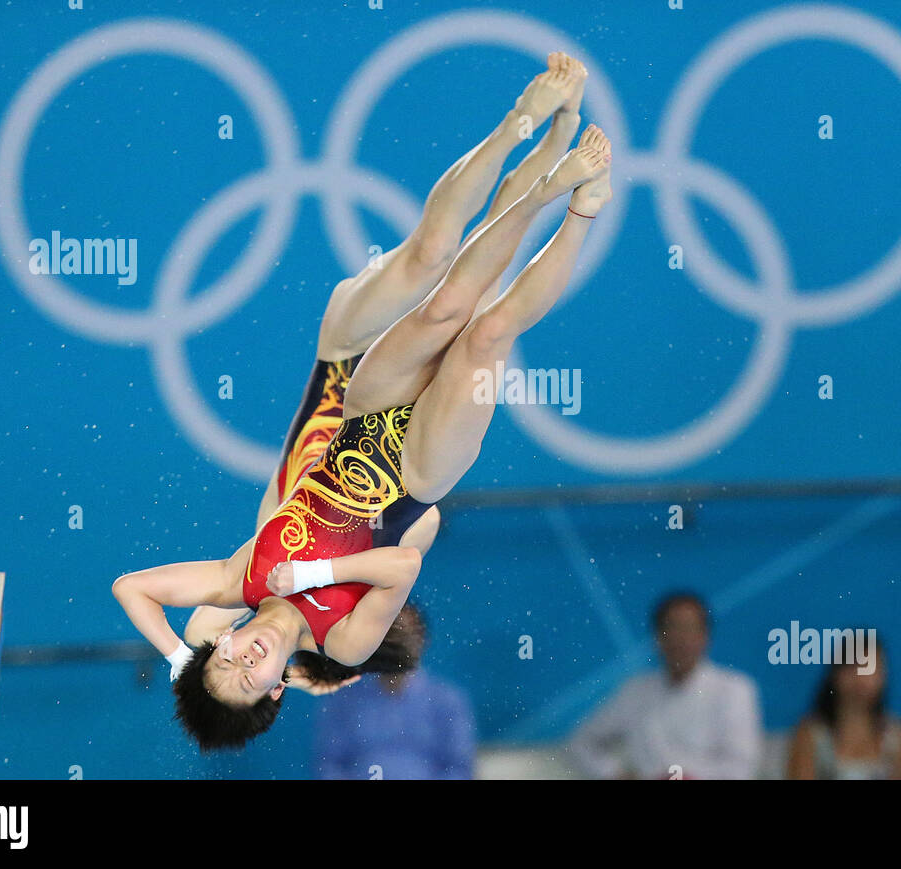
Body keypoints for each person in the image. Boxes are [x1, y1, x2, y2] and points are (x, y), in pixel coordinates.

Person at [114, 111, 613, 749]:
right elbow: (402, 565)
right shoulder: (342, 643)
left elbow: (130, 588)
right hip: (418, 474)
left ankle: (541, 189)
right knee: (487, 331)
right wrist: (314, 580)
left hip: (363, 417)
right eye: (251, 676)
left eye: (224, 658)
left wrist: (180, 660)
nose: (245, 660)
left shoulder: (238, 578)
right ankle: (582, 210)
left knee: (445, 306)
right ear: (276, 687)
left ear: (223, 638)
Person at [567, 592, 762, 779]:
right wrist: (614, 774)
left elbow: (740, 768)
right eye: (672, 628)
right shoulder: (636, 691)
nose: (681, 638)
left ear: (705, 636)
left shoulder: (734, 689)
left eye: (689, 628)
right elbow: (581, 742)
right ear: (658, 637)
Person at [315, 604, 476, 779]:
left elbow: (460, 768)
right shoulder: (344, 700)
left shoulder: (447, 701)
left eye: (404, 637)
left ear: (422, 640)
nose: (397, 646)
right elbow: (328, 765)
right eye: (390, 636)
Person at [786, 641, 901, 779]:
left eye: (871, 668)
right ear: (836, 673)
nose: (861, 678)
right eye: (853, 667)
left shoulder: (900, 739)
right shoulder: (810, 735)